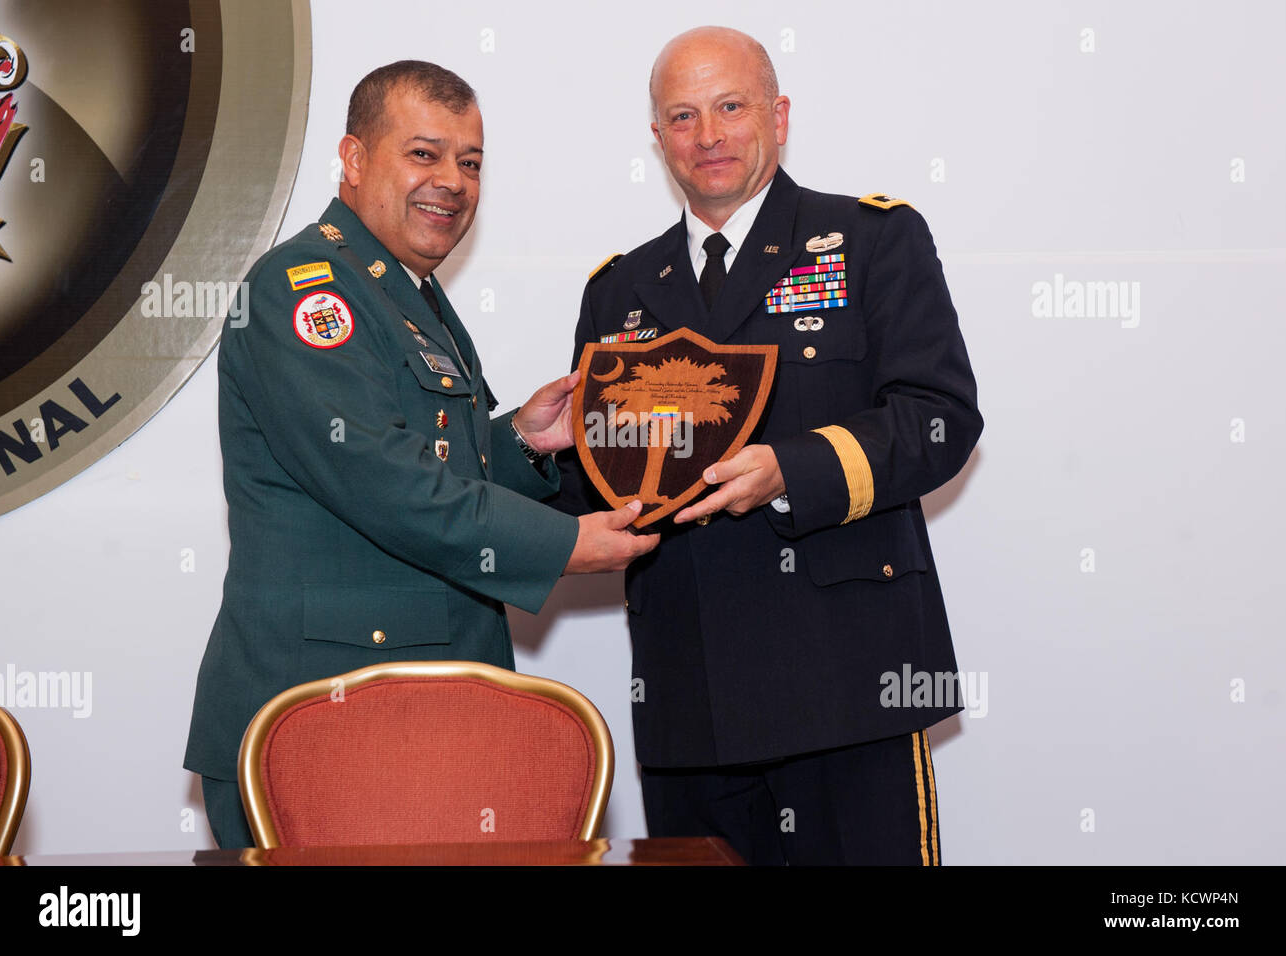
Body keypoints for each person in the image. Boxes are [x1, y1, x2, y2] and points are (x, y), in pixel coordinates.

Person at [184, 61, 656, 849]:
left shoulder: (402, 290)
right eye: (424, 154)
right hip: (324, 722)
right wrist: (566, 544)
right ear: (355, 158)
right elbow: (380, 481)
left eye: (470, 162)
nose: (453, 181)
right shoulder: (307, 291)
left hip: (412, 716)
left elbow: (426, 458)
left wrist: (519, 441)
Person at [553, 27, 983, 864]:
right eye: (681, 115)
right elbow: (598, 485)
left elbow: (940, 419)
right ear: (656, 137)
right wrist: (542, 455)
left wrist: (794, 468)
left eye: (729, 107)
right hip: (690, 697)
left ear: (777, 116)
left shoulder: (869, 240)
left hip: (847, 687)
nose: (707, 135)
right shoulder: (619, 290)